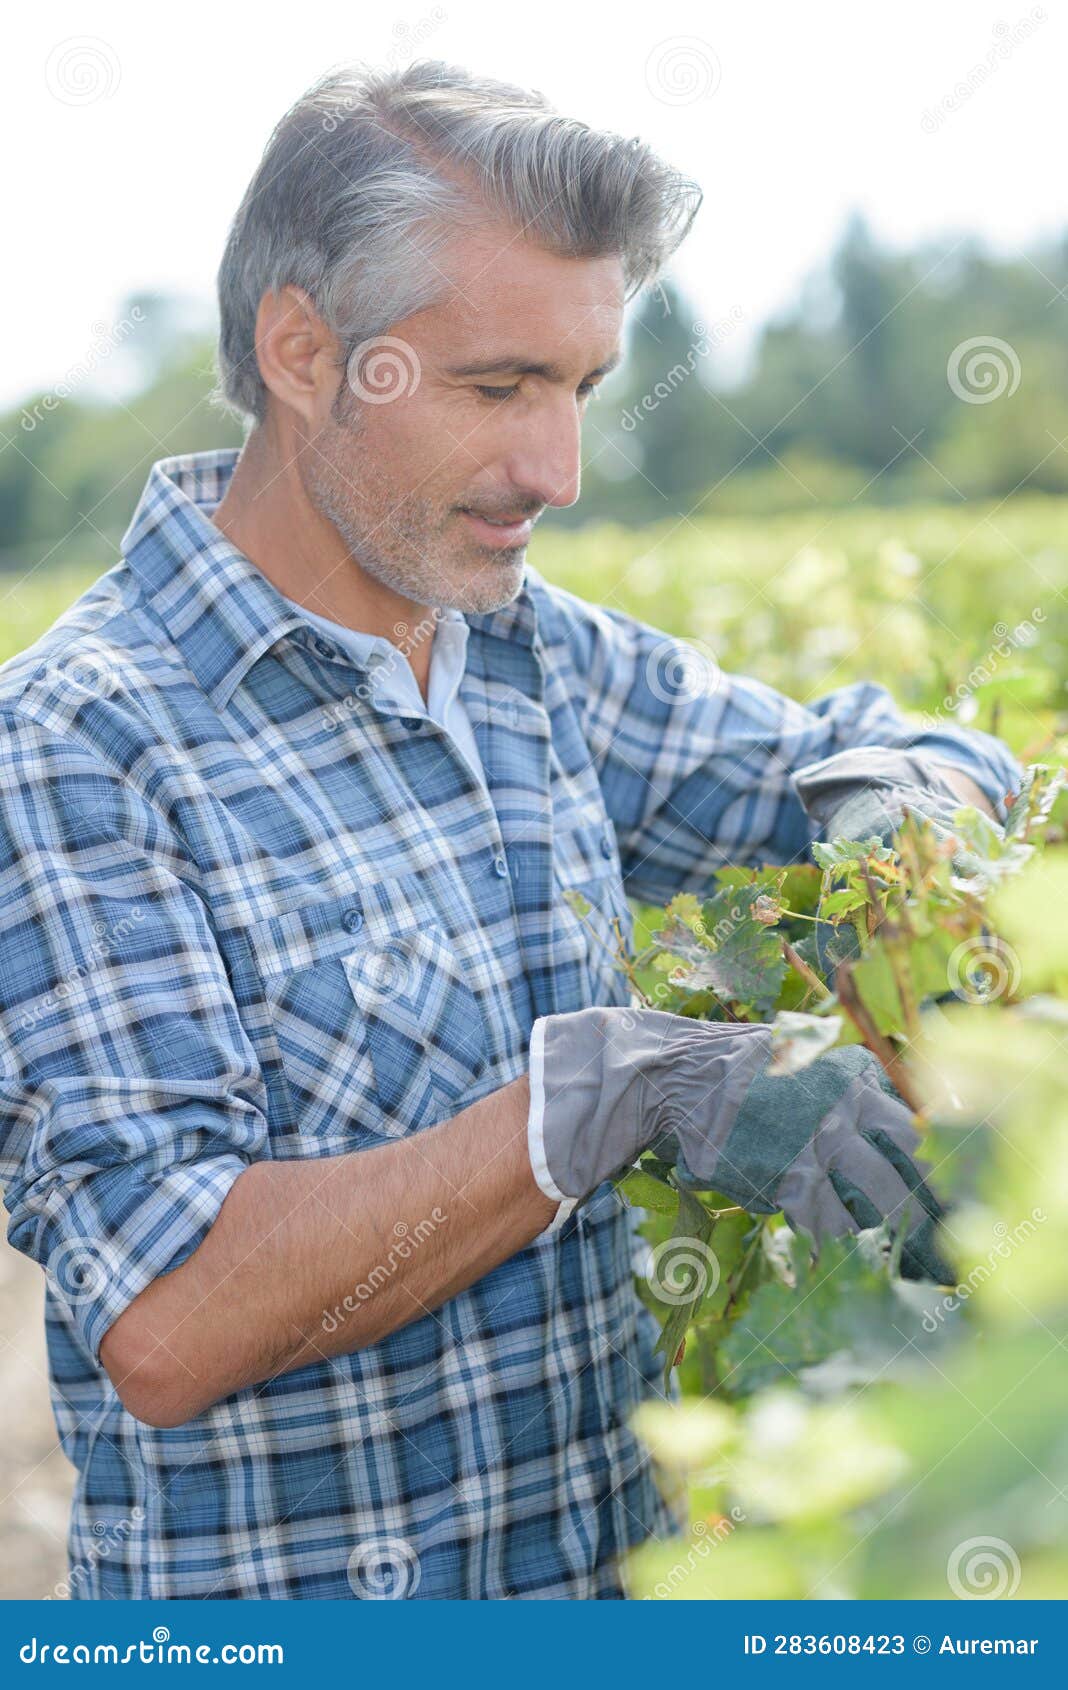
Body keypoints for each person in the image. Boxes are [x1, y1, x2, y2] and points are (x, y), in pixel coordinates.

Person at [0, 61, 1021, 1600]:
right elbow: (167, 1314)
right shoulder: (76, 741)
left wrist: (906, 822)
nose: (558, 471)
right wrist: (608, 1094)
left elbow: (871, 754)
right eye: (498, 388)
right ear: (303, 349)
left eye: (580, 387)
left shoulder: (535, 657)